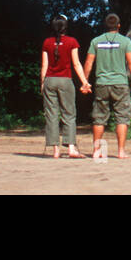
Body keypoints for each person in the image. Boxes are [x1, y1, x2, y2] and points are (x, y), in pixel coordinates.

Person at [83, 13, 131, 159]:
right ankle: (121, 151)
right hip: (120, 83)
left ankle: (97, 150)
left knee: (99, 117)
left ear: (105, 26)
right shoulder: (125, 41)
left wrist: (85, 82)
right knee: (122, 117)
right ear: (119, 26)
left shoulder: (96, 41)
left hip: (102, 83)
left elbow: (89, 62)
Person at [40, 14, 91, 159]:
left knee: (51, 115)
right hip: (65, 81)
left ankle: (55, 150)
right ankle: (71, 148)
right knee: (69, 114)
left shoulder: (47, 42)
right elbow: (76, 64)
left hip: (50, 80)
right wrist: (84, 82)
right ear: (65, 26)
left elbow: (44, 65)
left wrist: (42, 84)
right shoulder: (72, 42)